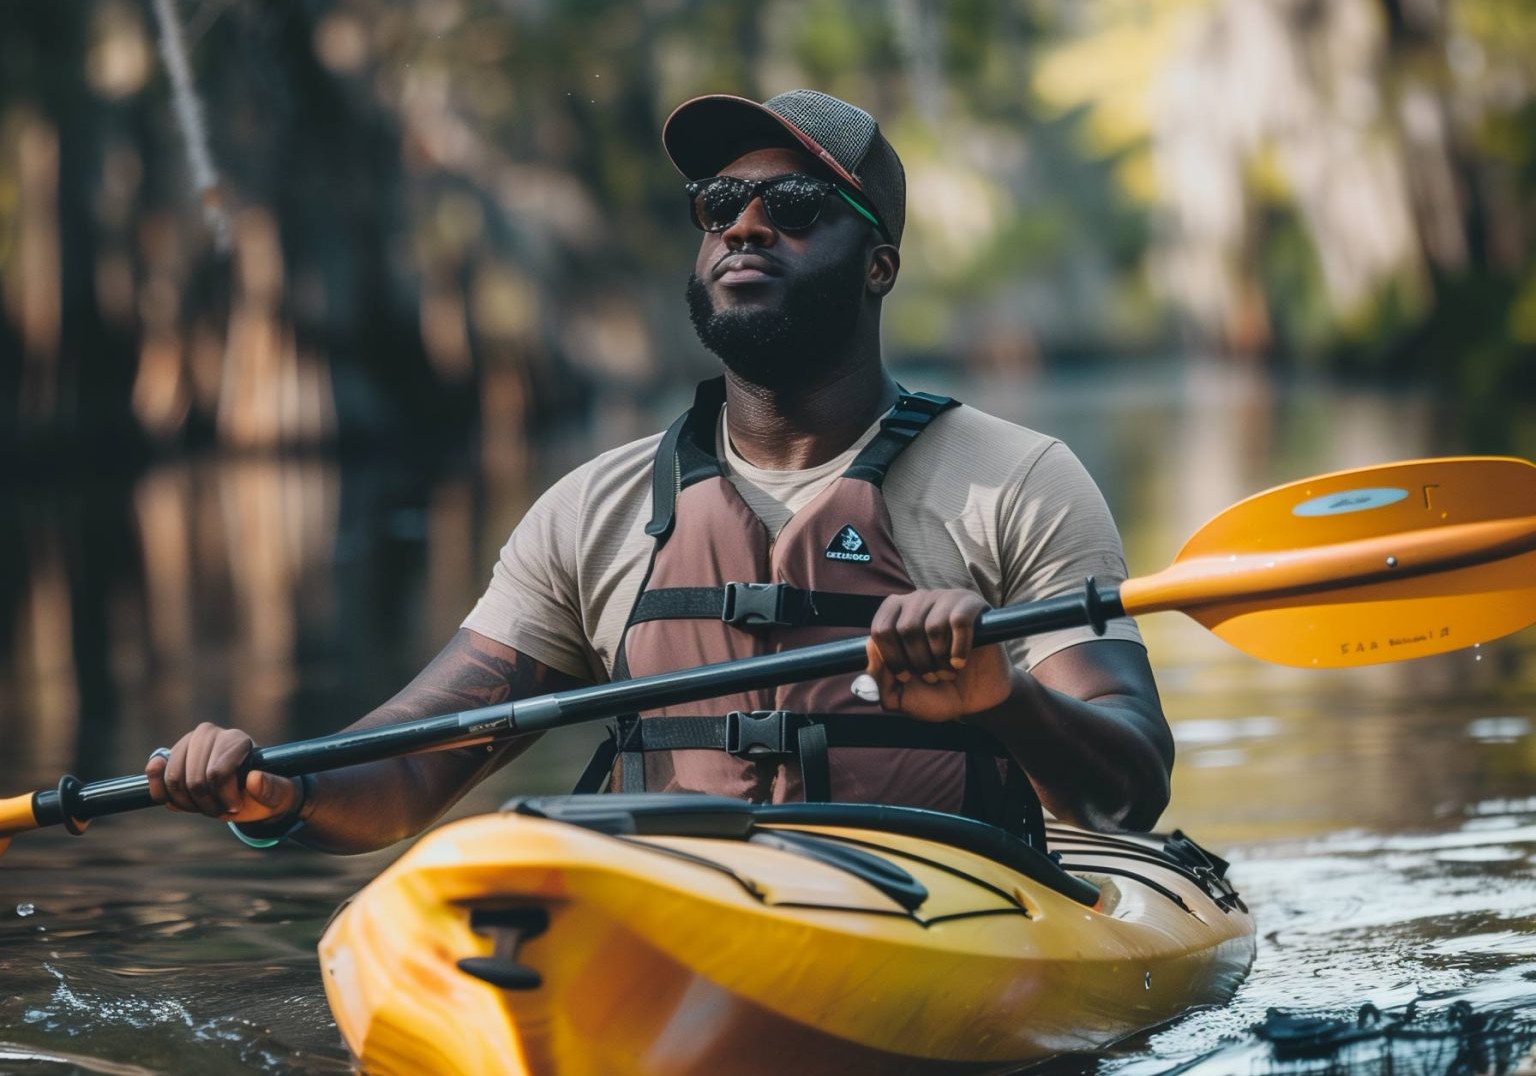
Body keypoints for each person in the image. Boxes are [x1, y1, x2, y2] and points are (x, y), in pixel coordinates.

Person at [147, 90, 1173, 851]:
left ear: (879, 265)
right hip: (682, 915)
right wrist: (277, 791)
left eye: (799, 203)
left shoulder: (1017, 483)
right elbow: (415, 764)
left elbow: (1129, 791)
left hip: (946, 920)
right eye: (720, 202)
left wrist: (1002, 696)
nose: (745, 223)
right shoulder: (593, 514)